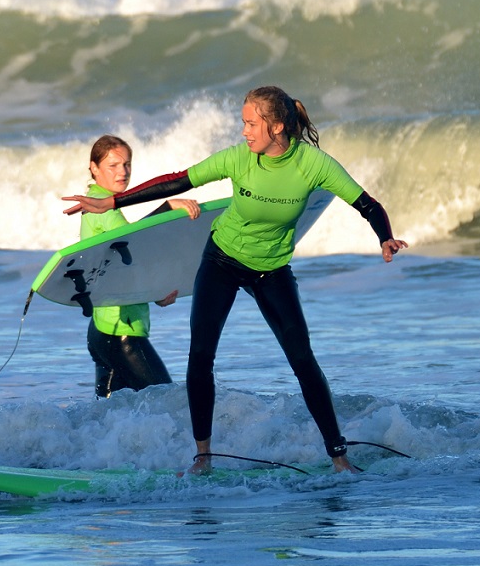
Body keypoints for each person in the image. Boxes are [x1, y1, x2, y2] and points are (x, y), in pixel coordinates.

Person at [63, 87, 407, 473]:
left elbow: (366, 204)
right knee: (200, 357)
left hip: (271, 269)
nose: (243, 131)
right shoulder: (239, 158)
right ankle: (203, 456)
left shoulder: (314, 165)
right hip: (222, 260)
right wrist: (113, 202)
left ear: (276, 126)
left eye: (250, 123)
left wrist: (385, 236)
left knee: (303, 360)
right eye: (243, 122)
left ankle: (339, 455)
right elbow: (179, 181)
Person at [79, 135, 202, 397]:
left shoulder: (96, 202)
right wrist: (168, 207)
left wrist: (155, 293)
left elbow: (123, 261)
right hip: (122, 333)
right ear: (94, 168)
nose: (122, 172)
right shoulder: (103, 209)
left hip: (101, 330)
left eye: (127, 164)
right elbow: (136, 245)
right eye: (113, 165)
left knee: (109, 421)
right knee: (167, 403)